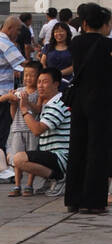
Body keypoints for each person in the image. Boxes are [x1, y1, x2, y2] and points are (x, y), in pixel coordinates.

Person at [64, 3, 112, 214]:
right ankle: (92, 201)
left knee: (78, 147)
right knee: (100, 147)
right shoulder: (108, 44)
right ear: (105, 24)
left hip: (79, 100)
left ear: (84, 22)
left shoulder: (76, 42)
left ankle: (74, 198)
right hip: (99, 99)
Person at [12, 67, 70, 198]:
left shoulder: (57, 105)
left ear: (56, 84)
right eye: (38, 82)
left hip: (61, 157)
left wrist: (24, 109)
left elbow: (37, 130)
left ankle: (59, 177)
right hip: (52, 154)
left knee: (18, 158)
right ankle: (51, 179)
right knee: (13, 156)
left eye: (44, 82)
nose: (40, 86)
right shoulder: (48, 103)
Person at [2, 59, 41, 196]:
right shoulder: (19, 90)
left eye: (32, 75)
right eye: (26, 75)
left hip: (32, 129)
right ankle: (17, 185)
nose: (28, 78)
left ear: (38, 77)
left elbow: (38, 109)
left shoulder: (38, 93)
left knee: (31, 157)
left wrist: (27, 102)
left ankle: (29, 185)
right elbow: (13, 114)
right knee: (17, 157)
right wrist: (12, 101)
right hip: (17, 128)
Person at [0, 16, 26, 180]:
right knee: (2, 132)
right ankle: (2, 170)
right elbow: (23, 66)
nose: (18, 34)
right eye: (17, 30)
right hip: (3, 94)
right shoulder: (6, 43)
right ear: (9, 28)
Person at [42, 22, 75, 87]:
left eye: (61, 31)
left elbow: (74, 66)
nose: (59, 34)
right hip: (49, 81)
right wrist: (49, 74)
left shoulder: (73, 48)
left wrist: (59, 73)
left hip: (67, 81)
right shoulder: (48, 47)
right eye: (56, 31)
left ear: (67, 32)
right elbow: (43, 62)